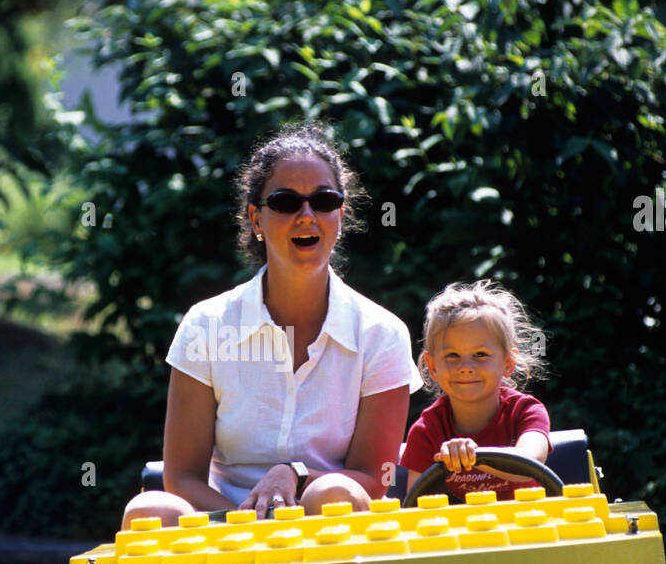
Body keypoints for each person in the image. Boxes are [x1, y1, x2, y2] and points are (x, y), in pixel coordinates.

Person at [121, 122, 423, 529]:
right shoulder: (205, 326)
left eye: (323, 200)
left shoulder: (383, 334)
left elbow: (374, 480)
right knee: (147, 510)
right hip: (225, 524)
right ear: (256, 219)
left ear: (340, 214)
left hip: (328, 523)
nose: (306, 215)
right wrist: (248, 524)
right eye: (284, 202)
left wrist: (294, 475)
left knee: (331, 493)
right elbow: (183, 479)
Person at [400, 280, 551, 502]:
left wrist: (474, 456)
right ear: (432, 366)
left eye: (480, 355)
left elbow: (529, 464)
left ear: (508, 362)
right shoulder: (426, 431)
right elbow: (417, 504)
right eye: (452, 355)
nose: (466, 368)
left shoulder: (527, 411)